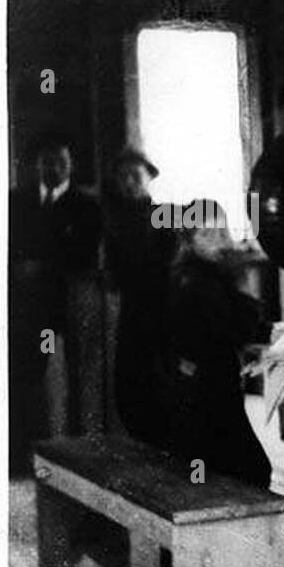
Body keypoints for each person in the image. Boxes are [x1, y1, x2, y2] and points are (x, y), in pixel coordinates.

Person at [7, 131, 101, 470]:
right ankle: (20, 457)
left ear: (71, 165)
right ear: (36, 164)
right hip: (20, 317)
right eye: (47, 161)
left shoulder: (86, 207)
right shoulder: (15, 203)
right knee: (22, 384)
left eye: (61, 162)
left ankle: (62, 459)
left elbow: (83, 259)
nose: (54, 168)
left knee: (58, 387)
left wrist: (39, 266)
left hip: (62, 318)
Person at [165, 200, 272, 489]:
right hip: (204, 396)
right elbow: (242, 331)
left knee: (245, 469)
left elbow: (251, 329)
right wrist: (242, 280)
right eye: (207, 235)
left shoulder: (205, 274)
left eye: (223, 232)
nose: (220, 242)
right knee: (254, 472)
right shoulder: (197, 282)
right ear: (189, 241)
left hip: (205, 388)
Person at [103, 148, 176, 446]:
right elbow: (113, 274)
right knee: (129, 380)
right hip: (131, 310)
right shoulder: (115, 222)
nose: (129, 182)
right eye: (123, 177)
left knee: (161, 378)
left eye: (135, 175)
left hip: (163, 309)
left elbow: (171, 263)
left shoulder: (165, 215)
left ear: (148, 179)